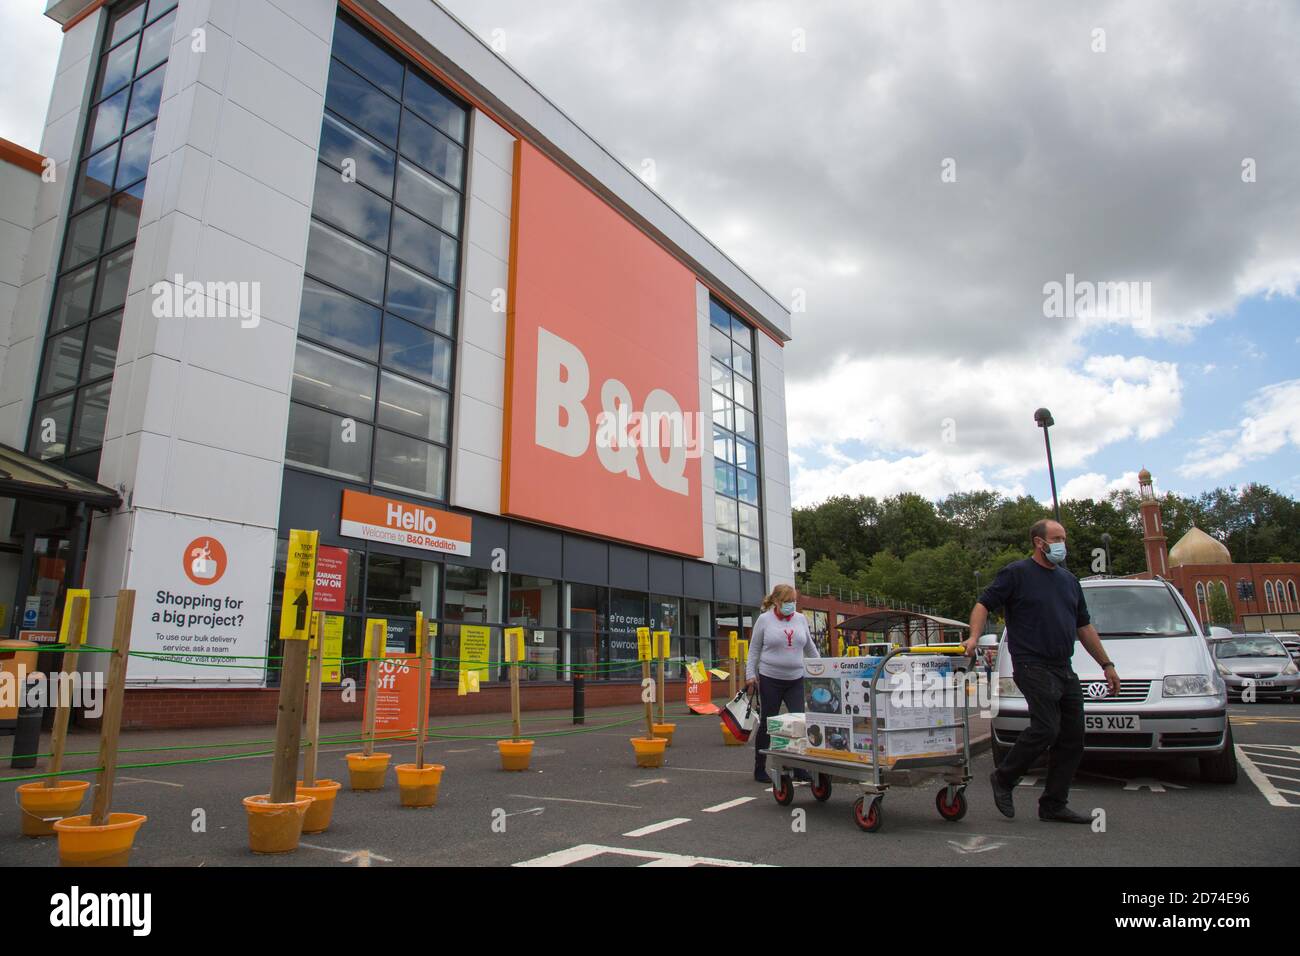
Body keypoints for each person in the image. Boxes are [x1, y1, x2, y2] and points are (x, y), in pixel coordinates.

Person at [964, 518, 1121, 823]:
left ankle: (1053, 804)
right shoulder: (1017, 574)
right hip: (1031, 663)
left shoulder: (1069, 581)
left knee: (1073, 737)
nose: (1064, 544)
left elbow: (1084, 627)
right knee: (1047, 727)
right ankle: (1004, 778)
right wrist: (973, 636)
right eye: (1058, 538)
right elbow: (983, 604)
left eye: (1064, 538)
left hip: (1063, 667)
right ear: (1040, 542)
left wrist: (1107, 664)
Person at [746, 584, 820, 784]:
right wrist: (750, 674)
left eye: (794, 601)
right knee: (769, 721)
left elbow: (810, 647)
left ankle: (798, 766)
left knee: (799, 722)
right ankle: (760, 767)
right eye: (788, 602)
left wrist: (824, 669)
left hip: (796, 678)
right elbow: (754, 650)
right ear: (777, 602)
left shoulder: (801, 619)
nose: (792, 605)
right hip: (770, 678)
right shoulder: (764, 620)